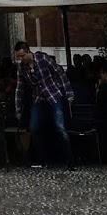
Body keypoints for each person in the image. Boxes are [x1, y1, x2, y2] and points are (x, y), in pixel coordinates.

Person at [14, 41, 74, 169]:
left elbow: (60, 73)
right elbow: (20, 88)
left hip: (53, 95)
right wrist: (18, 108)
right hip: (38, 98)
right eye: (18, 57)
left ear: (28, 52)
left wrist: (68, 93)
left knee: (60, 127)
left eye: (22, 56)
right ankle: (42, 160)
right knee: (34, 127)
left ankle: (69, 161)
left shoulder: (43, 59)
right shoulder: (22, 68)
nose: (21, 59)